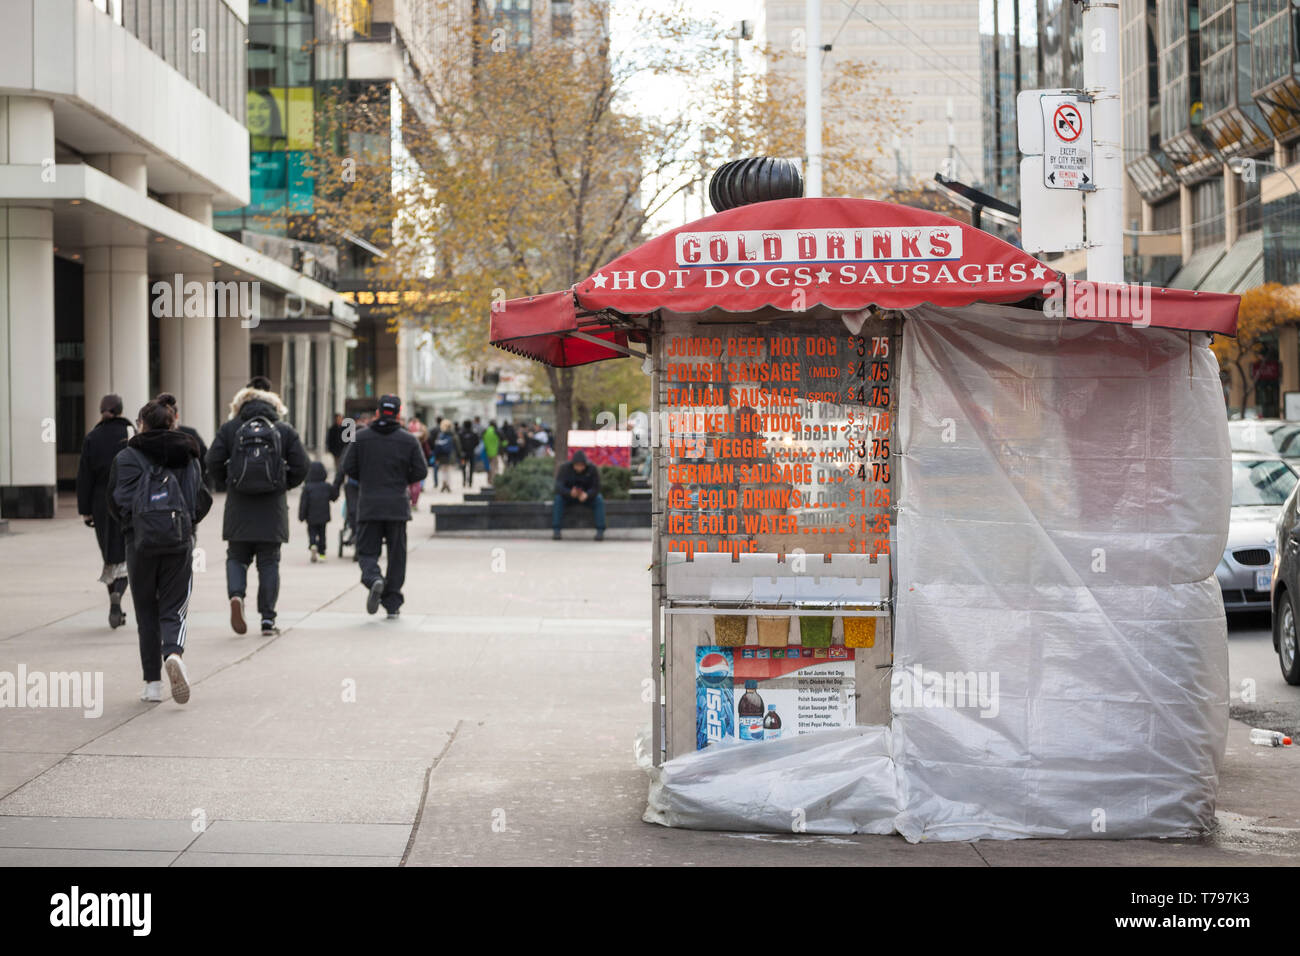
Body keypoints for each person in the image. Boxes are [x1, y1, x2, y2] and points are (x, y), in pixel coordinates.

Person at [108, 399, 211, 704]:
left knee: (145, 611)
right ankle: (174, 654)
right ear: (171, 422)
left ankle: (152, 684)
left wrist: (134, 526)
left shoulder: (126, 457)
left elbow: (114, 502)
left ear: (142, 423)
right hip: (178, 543)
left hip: (138, 544)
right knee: (174, 606)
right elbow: (200, 499)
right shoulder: (189, 454)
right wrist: (185, 525)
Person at [207, 381, 309, 637]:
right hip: (272, 508)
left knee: (237, 557)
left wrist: (229, 481)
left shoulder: (231, 428)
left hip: (238, 506)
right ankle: (267, 619)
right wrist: (283, 483)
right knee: (269, 562)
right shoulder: (284, 430)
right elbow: (302, 465)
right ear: (275, 406)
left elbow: (212, 461)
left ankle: (236, 595)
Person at [341, 395, 427, 618]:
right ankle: (392, 602)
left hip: (369, 503)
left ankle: (374, 578)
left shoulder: (361, 437)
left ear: (378, 412)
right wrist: (401, 479)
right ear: (398, 414)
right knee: (397, 554)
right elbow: (421, 472)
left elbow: (348, 467)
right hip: (397, 505)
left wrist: (368, 479)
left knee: (367, 551)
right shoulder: (408, 440)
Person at [76, 394, 133, 628]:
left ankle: (114, 597)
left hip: (101, 501)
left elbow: (84, 476)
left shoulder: (93, 437)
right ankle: (119, 592)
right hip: (129, 499)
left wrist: (86, 510)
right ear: (120, 410)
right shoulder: (131, 433)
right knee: (129, 552)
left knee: (110, 553)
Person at [155, 392, 209, 488]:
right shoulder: (190, 435)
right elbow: (204, 458)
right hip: (186, 488)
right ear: (176, 417)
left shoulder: (147, 439)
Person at [553, 450, 605, 541]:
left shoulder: (592, 469)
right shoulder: (565, 468)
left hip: (586, 497)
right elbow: (558, 487)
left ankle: (600, 531)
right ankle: (556, 530)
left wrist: (587, 494)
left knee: (599, 499)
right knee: (558, 499)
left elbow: (596, 487)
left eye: (582, 465)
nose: (579, 468)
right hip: (569, 497)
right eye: (577, 465)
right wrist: (569, 492)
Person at [299, 460, 334, 562]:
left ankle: (313, 544)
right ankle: (322, 554)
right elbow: (334, 496)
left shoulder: (307, 488)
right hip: (323, 516)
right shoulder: (326, 486)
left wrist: (301, 516)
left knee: (312, 532)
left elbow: (303, 504)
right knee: (322, 535)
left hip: (311, 517)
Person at [431, 419, 462, 493]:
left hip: (441, 455)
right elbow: (458, 446)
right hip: (450, 455)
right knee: (448, 470)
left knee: (443, 470)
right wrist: (459, 455)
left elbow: (437, 446)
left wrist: (436, 456)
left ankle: (444, 483)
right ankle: (448, 484)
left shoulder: (440, 435)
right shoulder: (453, 435)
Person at [406, 417, 432, 508]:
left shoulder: (407, 437)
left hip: (408, 461)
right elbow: (427, 449)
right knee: (417, 482)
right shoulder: (422, 436)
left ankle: (410, 499)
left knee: (409, 483)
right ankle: (414, 502)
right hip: (420, 460)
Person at [458, 419, 478, 486]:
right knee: (471, 468)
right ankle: (470, 482)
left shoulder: (461, 433)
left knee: (463, 467)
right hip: (471, 453)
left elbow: (459, 443)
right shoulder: (473, 433)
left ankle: (464, 481)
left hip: (463, 454)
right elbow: (477, 442)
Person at [326, 412, 347, 477]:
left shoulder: (346, 429)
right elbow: (329, 440)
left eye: (340, 419)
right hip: (336, 451)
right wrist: (331, 450)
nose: (339, 421)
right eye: (338, 419)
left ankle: (342, 477)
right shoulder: (332, 429)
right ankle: (339, 477)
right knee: (338, 467)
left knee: (343, 465)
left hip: (344, 450)